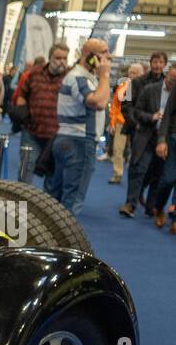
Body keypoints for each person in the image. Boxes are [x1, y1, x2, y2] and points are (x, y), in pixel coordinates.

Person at [45, 38, 111, 217]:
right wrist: (105, 75)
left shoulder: (83, 77)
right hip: (79, 142)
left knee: (56, 198)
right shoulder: (79, 77)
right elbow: (98, 102)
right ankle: (62, 243)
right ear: (90, 56)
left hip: (71, 140)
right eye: (104, 52)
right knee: (72, 201)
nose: (108, 56)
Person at [120, 63, 174, 219]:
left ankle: (151, 206)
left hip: (166, 139)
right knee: (138, 169)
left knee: (158, 174)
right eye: (171, 79)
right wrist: (151, 117)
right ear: (167, 75)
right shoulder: (149, 89)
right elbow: (134, 110)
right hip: (146, 135)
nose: (173, 83)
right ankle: (130, 204)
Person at [13, 43, 69, 182]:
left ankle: (47, 204)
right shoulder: (34, 73)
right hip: (32, 132)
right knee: (25, 171)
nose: (61, 61)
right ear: (50, 57)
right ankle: (20, 202)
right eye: (58, 57)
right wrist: (24, 115)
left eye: (65, 58)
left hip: (56, 136)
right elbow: (22, 95)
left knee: (53, 177)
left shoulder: (70, 77)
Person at [108, 63, 143, 185]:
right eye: (130, 72)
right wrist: (112, 123)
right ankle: (117, 174)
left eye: (134, 73)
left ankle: (134, 176)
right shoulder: (122, 85)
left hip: (138, 124)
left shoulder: (146, 88)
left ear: (141, 75)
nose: (131, 75)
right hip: (121, 122)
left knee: (137, 151)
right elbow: (115, 105)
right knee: (118, 149)